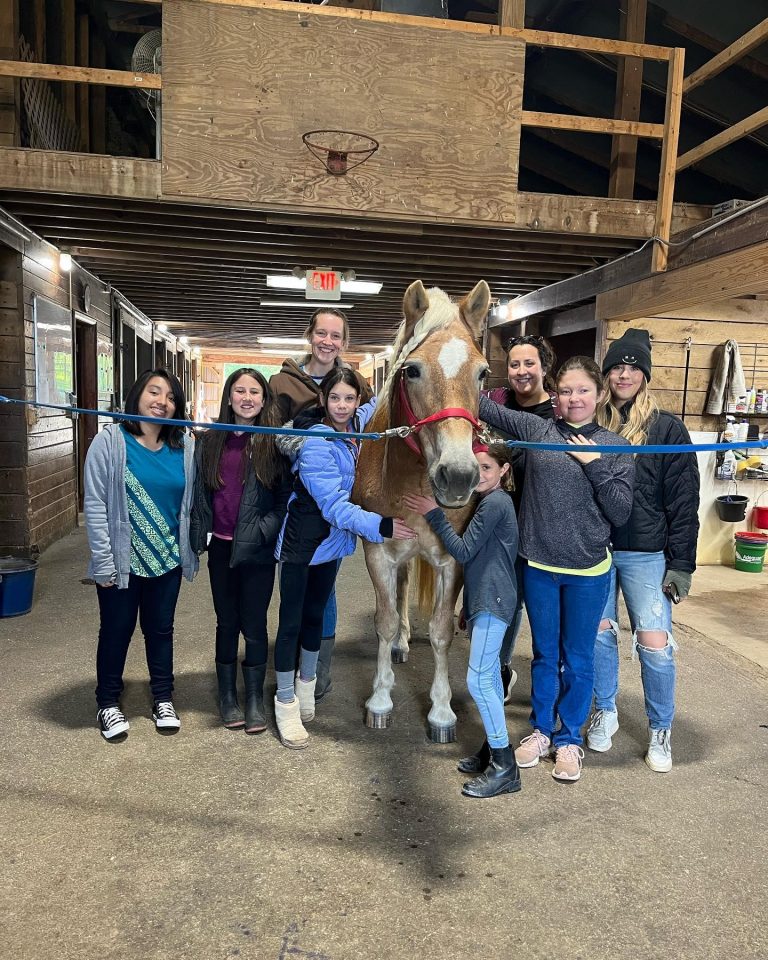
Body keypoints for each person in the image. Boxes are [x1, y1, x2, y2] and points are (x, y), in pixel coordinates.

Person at [479, 357, 635, 782]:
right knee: (546, 655)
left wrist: (594, 464)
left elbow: (620, 512)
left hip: (588, 570)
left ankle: (569, 739)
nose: (574, 398)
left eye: (583, 390)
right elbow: (482, 405)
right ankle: (542, 730)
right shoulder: (538, 431)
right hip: (540, 566)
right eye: (565, 391)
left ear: (599, 394)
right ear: (555, 396)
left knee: (578, 658)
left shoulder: (616, 447)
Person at [272, 368, 414, 750]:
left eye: (349, 398)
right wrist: (381, 525)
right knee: (291, 623)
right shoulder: (317, 442)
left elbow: (378, 402)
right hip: (303, 544)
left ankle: (305, 688)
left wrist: (402, 369)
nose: (341, 405)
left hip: (329, 547)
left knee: (315, 617)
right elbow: (334, 507)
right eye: (334, 398)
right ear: (323, 400)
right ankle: (285, 702)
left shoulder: (356, 426)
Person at [588, 329, 700, 773]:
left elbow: (684, 499)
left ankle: (661, 728)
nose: (624, 374)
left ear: (645, 375)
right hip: (596, 549)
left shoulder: (666, 428)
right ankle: (605, 709)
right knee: (599, 634)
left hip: (646, 552)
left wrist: (682, 563)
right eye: (617, 366)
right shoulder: (591, 423)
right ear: (606, 373)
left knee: (655, 643)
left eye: (633, 368)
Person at [84, 368, 198, 741]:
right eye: (154, 392)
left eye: (170, 397)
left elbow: (189, 505)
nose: (162, 402)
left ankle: (163, 698)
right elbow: (96, 505)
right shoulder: (110, 442)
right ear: (137, 395)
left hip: (166, 558)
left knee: (160, 631)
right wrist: (103, 562)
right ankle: (107, 703)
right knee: (116, 631)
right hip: (122, 561)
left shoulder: (184, 446)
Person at [404, 443, 520, 799]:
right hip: (487, 598)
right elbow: (481, 561)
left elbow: (465, 551)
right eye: (476, 467)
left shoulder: (496, 503)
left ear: (503, 471)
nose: (479, 475)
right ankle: (491, 751)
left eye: (487, 468)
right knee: (489, 678)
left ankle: (505, 767)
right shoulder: (488, 501)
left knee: (478, 680)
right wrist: (469, 607)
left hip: (494, 600)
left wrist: (433, 513)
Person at [270, 308, 373, 703]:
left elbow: (370, 412)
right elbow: (271, 436)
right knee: (294, 599)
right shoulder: (283, 382)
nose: (328, 341)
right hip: (297, 499)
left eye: (336, 335)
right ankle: (288, 678)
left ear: (344, 342)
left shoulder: (356, 384)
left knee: (323, 595)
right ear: (310, 335)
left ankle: (315, 672)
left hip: (334, 504)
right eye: (322, 333)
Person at [190, 368, 290, 735]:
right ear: (229, 397)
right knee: (226, 621)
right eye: (239, 391)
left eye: (254, 392)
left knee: (255, 624)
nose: (247, 398)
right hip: (221, 547)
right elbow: (200, 494)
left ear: (264, 400)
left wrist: (262, 532)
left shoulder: (272, 443)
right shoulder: (210, 441)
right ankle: (227, 695)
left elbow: (284, 500)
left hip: (257, 551)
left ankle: (253, 698)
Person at [483, 334, 559, 701]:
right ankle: (498, 670)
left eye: (529, 363)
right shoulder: (494, 402)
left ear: (544, 367)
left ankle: (550, 685)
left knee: (543, 609)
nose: (521, 371)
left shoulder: (560, 411)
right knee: (503, 602)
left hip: (544, 525)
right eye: (514, 364)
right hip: (501, 524)